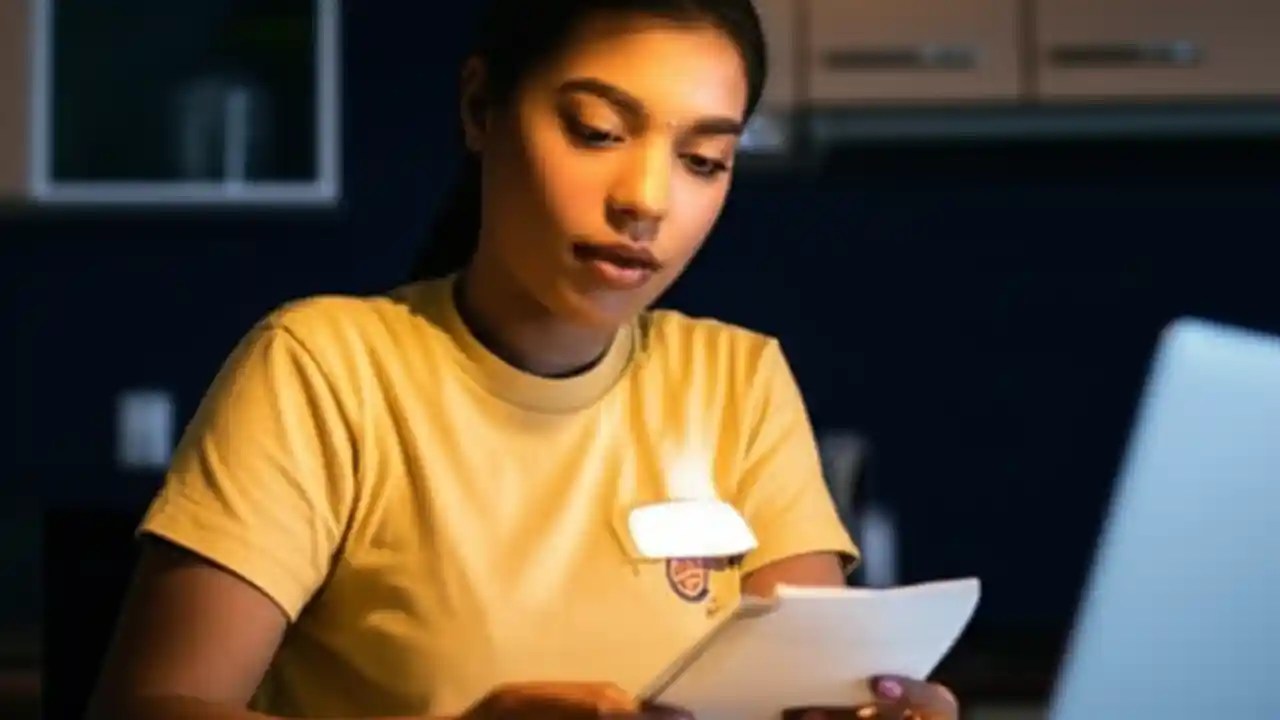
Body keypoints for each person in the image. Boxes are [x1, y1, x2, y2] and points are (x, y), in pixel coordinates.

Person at [88, 1, 960, 718]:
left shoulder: (738, 382)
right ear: (481, 107)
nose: (647, 201)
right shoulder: (325, 369)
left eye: (703, 160)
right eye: (595, 131)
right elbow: (153, 706)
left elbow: (811, 695)